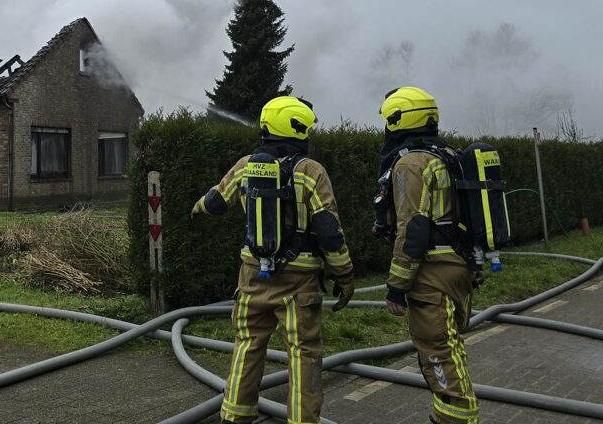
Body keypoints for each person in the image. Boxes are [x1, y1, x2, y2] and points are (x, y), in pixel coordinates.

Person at [192, 96, 355, 424]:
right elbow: (328, 229)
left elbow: (214, 202)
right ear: (296, 128)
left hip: (252, 275)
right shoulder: (310, 170)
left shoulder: (246, 164)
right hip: (299, 279)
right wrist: (344, 274)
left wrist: (195, 208)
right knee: (304, 354)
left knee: (247, 346)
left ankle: (234, 417)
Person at [377, 86, 479, 424]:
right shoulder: (447, 156)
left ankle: (457, 417)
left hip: (431, 274)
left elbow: (413, 228)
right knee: (450, 348)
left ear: (398, 119)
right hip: (458, 267)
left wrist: (396, 286)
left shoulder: (410, 163)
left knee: (438, 354)